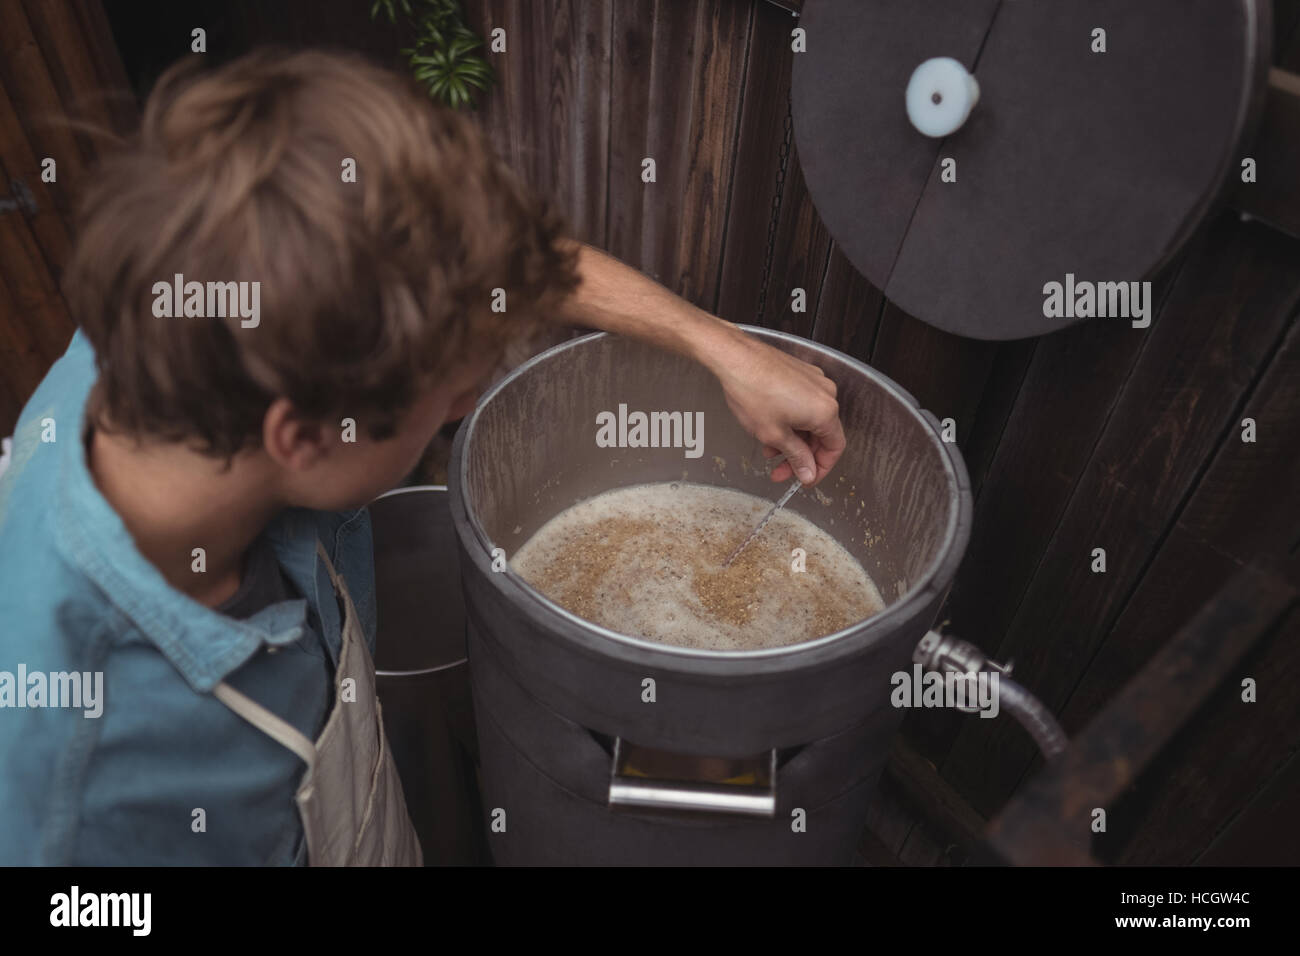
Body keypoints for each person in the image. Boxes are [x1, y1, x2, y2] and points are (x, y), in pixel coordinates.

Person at [0, 49, 844, 865]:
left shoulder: (198, 304)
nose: (467, 408)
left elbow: (476, 267)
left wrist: (720, 347)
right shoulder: (83, 790)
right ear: (302, 437)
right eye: (448, 403)